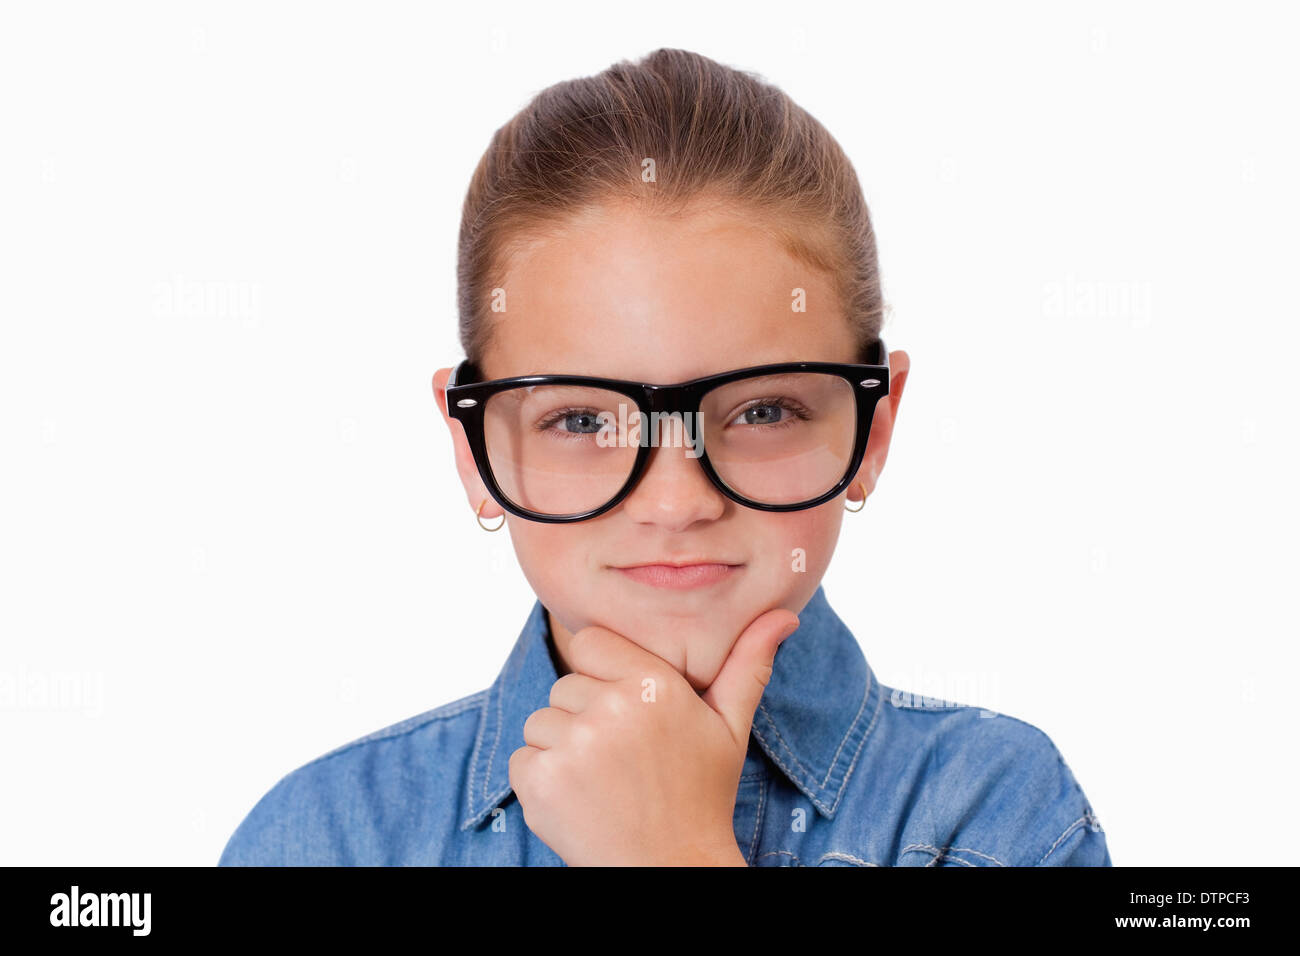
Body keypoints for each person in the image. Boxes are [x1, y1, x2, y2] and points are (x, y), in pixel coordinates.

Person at [219, 47, 1110, 866]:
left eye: (762, 410)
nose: (677, 501)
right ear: (473, 446)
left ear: (874, 430)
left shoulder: (999, 819)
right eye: (582, 421)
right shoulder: (324, 839)